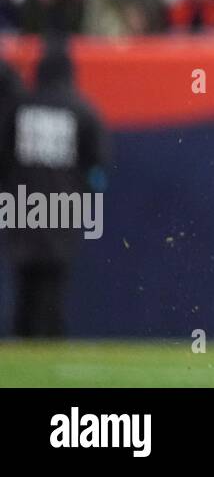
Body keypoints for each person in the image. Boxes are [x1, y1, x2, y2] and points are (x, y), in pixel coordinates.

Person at [0, 36, 109, 337]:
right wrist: (88, 200)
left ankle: (24, 339)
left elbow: (4, 157)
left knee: (24, 280)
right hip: (63, 207)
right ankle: (49, 337)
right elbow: (98, 164)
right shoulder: (82, 111)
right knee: (53, 282)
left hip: (21, 205)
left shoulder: (20, 107)